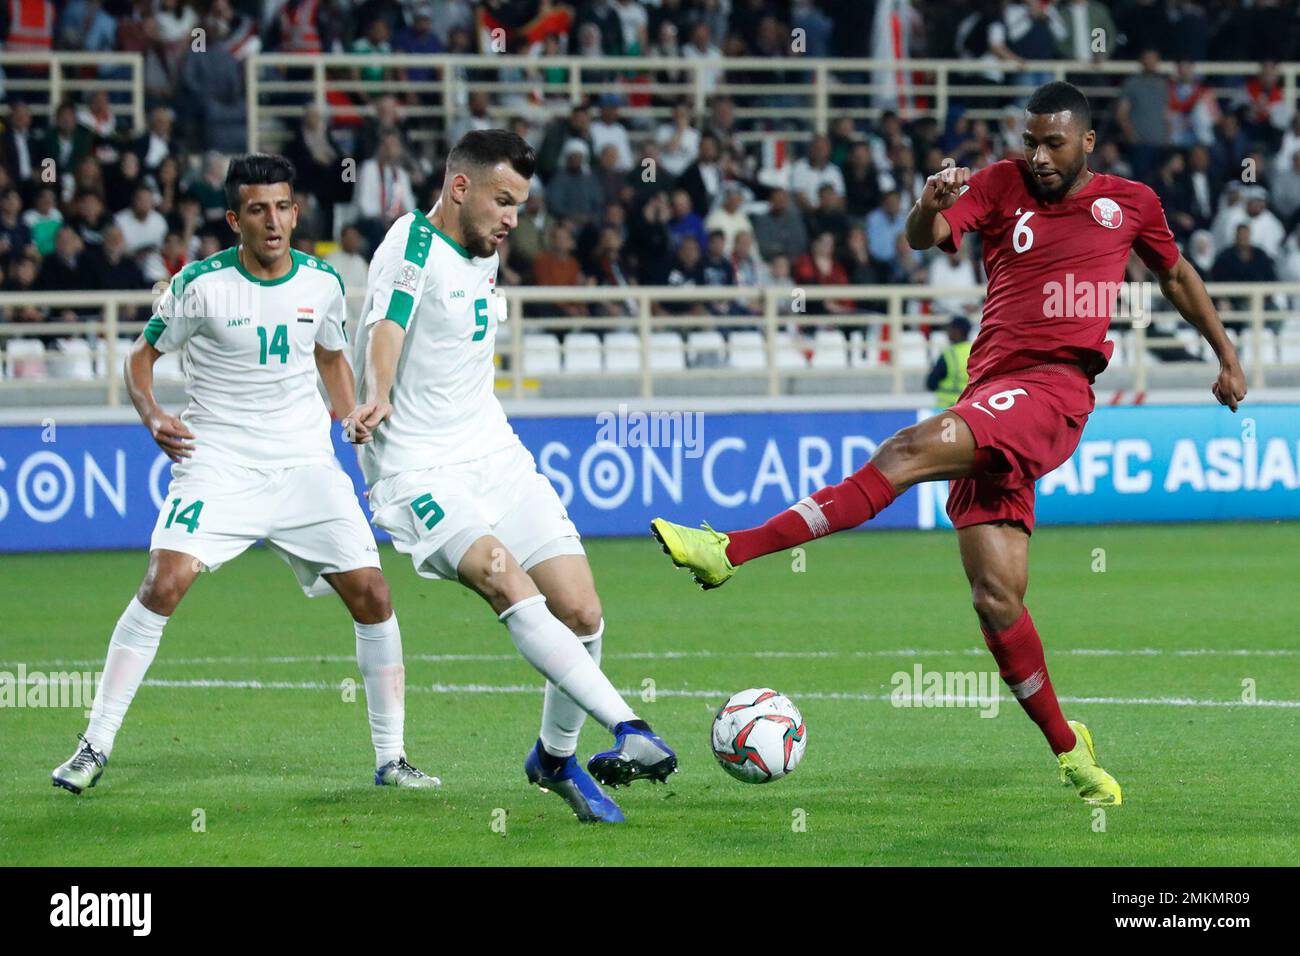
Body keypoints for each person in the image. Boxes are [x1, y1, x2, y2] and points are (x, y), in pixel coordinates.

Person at [649, 82, 1247, 808]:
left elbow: (1176, 274)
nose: (1038, 155)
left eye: (1053, 142)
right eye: (1030, 140)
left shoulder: (1132, 203)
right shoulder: (998, 184)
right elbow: (922, 237)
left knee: (902, 453)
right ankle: (1071, 751)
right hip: (990, 394)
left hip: (1053, 391)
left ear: (1088, 141)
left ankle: (728, 552)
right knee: (998, 599)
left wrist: (1226, 354)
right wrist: (930, 202)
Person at [50, 154, 437, 796]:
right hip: (219, 462)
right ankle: (94, 744)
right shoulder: (198, 285)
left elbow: (331, 356)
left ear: (296, 211)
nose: (275, 220)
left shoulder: (322, 281)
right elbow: (140, 358)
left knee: (373, 593)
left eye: (284, 206)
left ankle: (392, 758)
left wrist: (350, 418)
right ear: (236, 219)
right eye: (258, 209)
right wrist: (151, 414)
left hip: (305, 464)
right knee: (164, 581)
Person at [350, 130, 676, 824]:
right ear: (458, 187)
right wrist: (376, 392)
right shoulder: (409, 249)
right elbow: (390, 325)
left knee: (583, 610)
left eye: (521, 205)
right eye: (503, 201)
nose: (512, 220)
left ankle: (554, 759)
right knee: (505, 578)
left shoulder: (485, 250)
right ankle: (630, 725)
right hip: (418, 470)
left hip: (494, 453)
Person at [927, 316, 973, 407]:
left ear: (957, 331)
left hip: (946, 408)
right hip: (969, 406)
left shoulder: (949, 354)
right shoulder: (976, 350)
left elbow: (931, 383)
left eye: (949, 329)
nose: (947, 332)